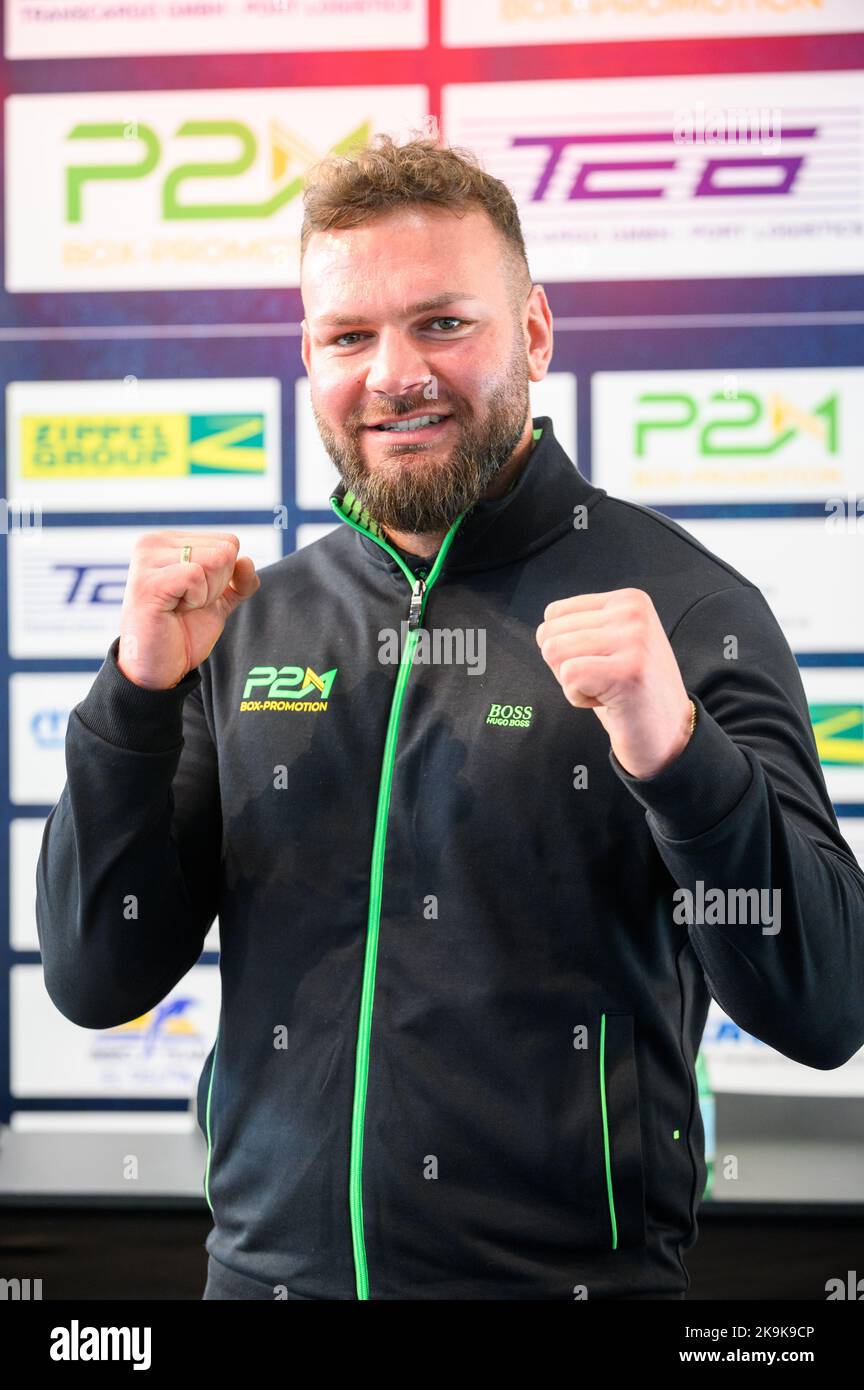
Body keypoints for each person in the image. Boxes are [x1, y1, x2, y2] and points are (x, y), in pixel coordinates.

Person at [36, 133, 864, 1301]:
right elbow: (93, 974)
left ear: (532, 331)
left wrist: (681, 759)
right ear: (308, 357)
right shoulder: (252, 626)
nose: (394, 374)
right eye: (348, 337)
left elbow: (826, 1002)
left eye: (442, 324)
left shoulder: (688, 609)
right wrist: (132, 700)